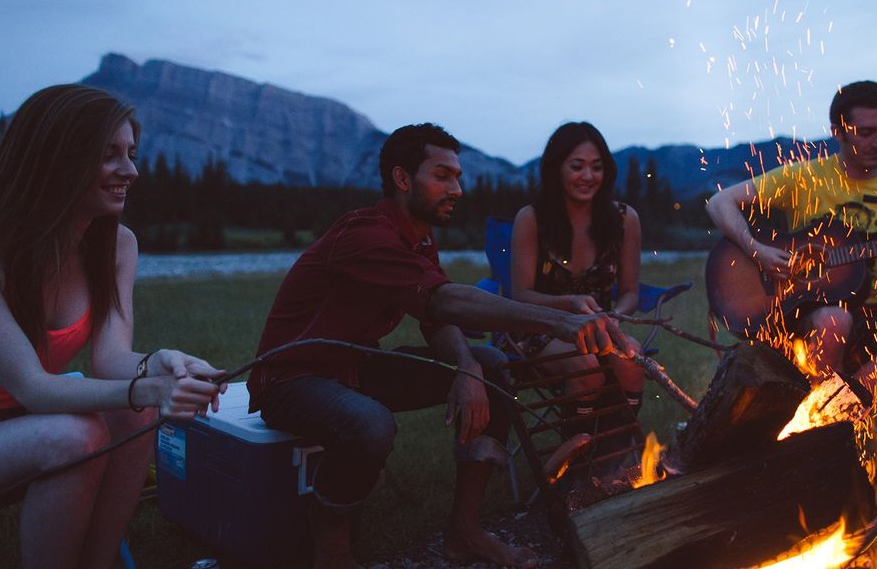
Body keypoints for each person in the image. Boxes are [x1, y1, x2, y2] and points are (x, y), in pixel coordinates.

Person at [248, 123, 633, 569]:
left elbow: (435, 315)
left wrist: (467, 367)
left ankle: (464, 532)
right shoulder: (365, 234)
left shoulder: (420, 237)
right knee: (371, 425)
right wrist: (561, 322)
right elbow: (447, 299)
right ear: (402, 179)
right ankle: (330, 537)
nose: (458, 189)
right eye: (443, 175)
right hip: (292, 377)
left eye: (458, 176)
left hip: (355, 368)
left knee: (490, 364)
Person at [0, 84, 225, 569]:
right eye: (108, 156)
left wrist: (160, 362)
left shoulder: (116, 244)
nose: (130, 171)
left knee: (135, 414)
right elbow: (34, 388)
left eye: (131, 153)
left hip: (15, 421)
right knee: (71, 437)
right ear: (54, 160)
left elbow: (109, 362)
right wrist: (151, 390)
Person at [706, 80, 877, 395]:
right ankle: (829, 421)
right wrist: (756, 250)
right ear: (837, 131)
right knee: (833, 321)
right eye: (866, 132)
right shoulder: (805, 178)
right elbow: (719, 203)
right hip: (810, 309)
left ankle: (844, 416)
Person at [507, 121, 646, 459]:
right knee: (585, 364)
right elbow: (520, 295)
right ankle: (576, 462)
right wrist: (570, 304)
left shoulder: (624, 219)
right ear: (557, 169)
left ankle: (611, 463)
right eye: (577, 166)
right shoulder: (532, 219)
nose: (588, 176)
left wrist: (613, 318)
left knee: (631, 358)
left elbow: (630, 292)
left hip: (602, 328)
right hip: (539, 328)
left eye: (596, 167)